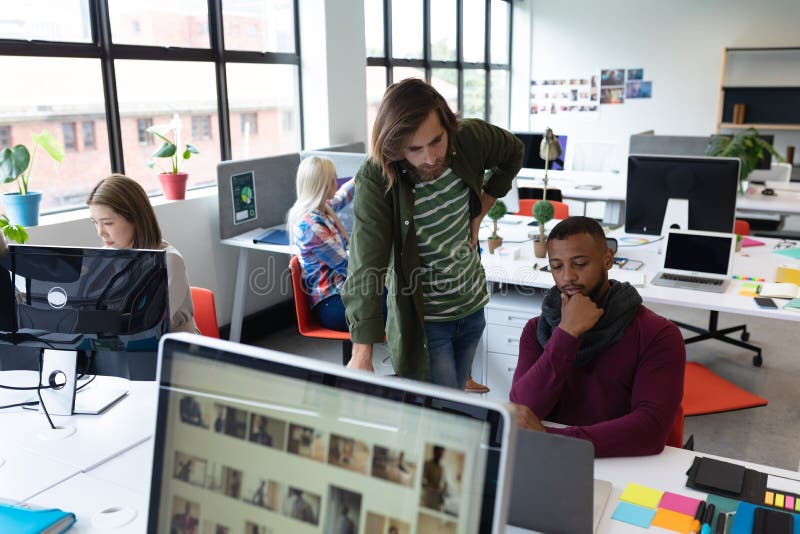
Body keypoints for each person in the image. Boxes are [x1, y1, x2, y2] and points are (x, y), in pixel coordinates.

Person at [341, 78, 524, 388]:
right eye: (414, 149)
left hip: (472, 304)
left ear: (448, 126)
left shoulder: (469, 138)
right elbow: (365, 263)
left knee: (455, 398)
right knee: (438, 407)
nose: (430, 157)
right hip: (426, 324)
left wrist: (482, 207)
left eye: (437, 141)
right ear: (394, 147)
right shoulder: (377, 176)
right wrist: (362, 353)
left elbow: (513, 152)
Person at [508, 216, 685, 457]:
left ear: (607, 259)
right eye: (557, 266)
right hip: (554, 457)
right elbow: (523, 408)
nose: (567, 277)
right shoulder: (538, 330)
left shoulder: (658, 334)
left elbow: (650, 430)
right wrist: (566, 333)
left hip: (626, 463)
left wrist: (554, 439)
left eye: (580, 264)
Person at [86, 174, 199, 334]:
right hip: (126, 342)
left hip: (173, 343)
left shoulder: (168, 261)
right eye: (95, 222)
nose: (100, 232)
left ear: (135, 219)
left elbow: (147, 324)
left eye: (108, 223)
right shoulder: (107, 257)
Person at [287, 156, 355, 332]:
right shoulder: (312, 227)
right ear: (323, 185)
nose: (336, 182)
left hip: (342, 293)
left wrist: (362, 176)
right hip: (332, 304)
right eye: (333, 178)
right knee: (397, 303)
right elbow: (348, 267)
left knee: (397, 297)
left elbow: (342, 196)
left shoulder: (322, 208)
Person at [421, 445, 448, 510]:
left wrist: (444, 489)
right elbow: (422, 481)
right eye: (439, 452)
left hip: (437, 497)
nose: (441, 454)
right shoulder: (427, 464)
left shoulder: (441, 468)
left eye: (442, 452)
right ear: (434, 452)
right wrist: (429, 487)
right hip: (428, 495)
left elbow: (444, 483)